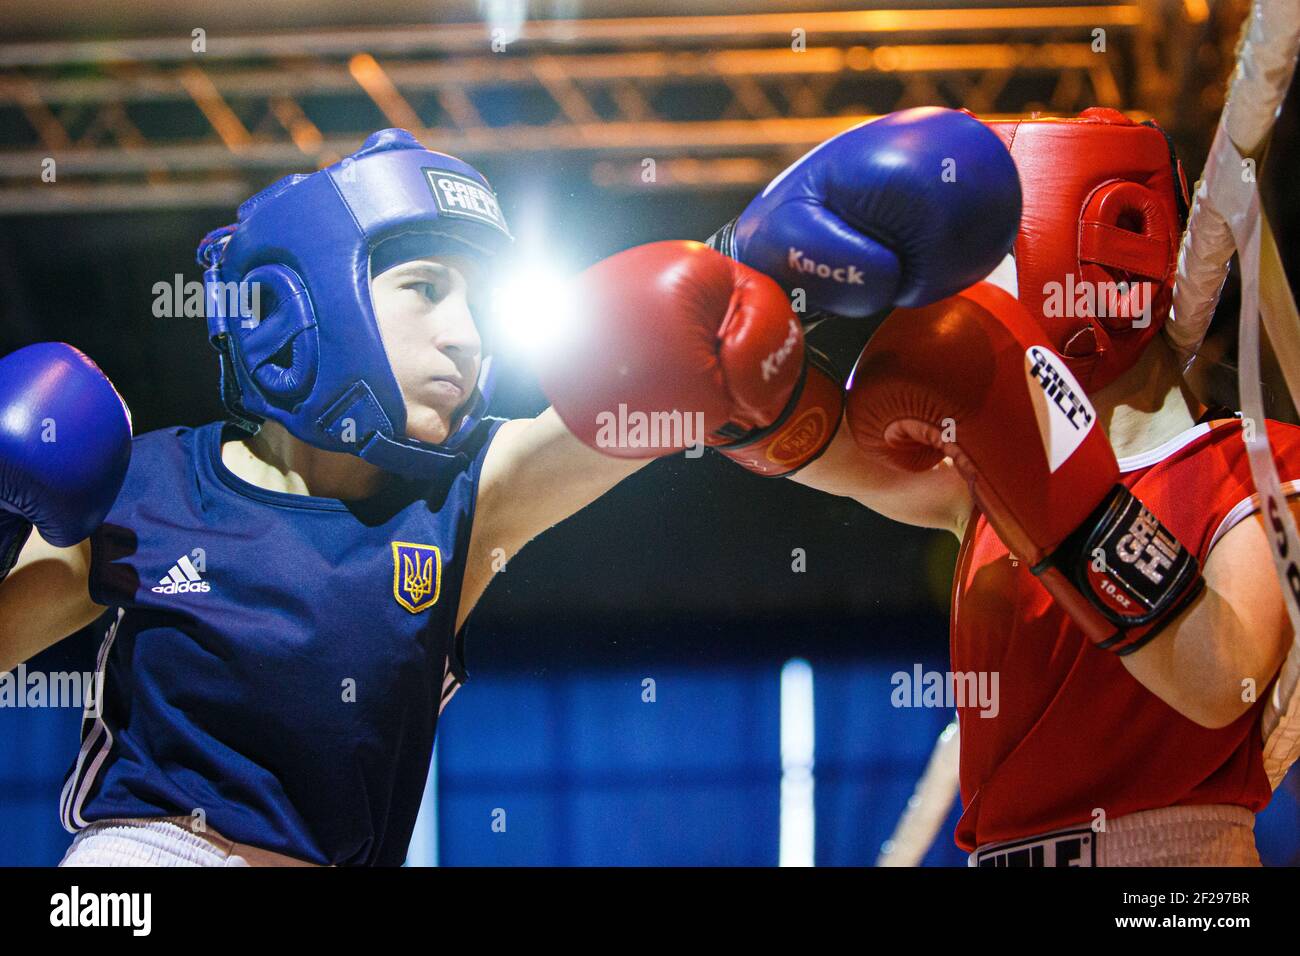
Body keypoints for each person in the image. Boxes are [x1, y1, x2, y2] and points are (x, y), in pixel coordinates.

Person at [0, 113, 1017, 866]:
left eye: (478, 302)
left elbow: (654, 375)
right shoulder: (136, 480)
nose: (467, 334)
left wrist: (748, 258)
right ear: (293, 304)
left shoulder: (460, 503)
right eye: (425, 289)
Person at [789, 109, 1300, 865]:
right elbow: (802, 442)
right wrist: (748, 284)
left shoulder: (1255, 466)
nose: (962, 289)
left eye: (986, 252)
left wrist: (1057, 499)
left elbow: (1220, 677)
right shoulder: (976, 480)